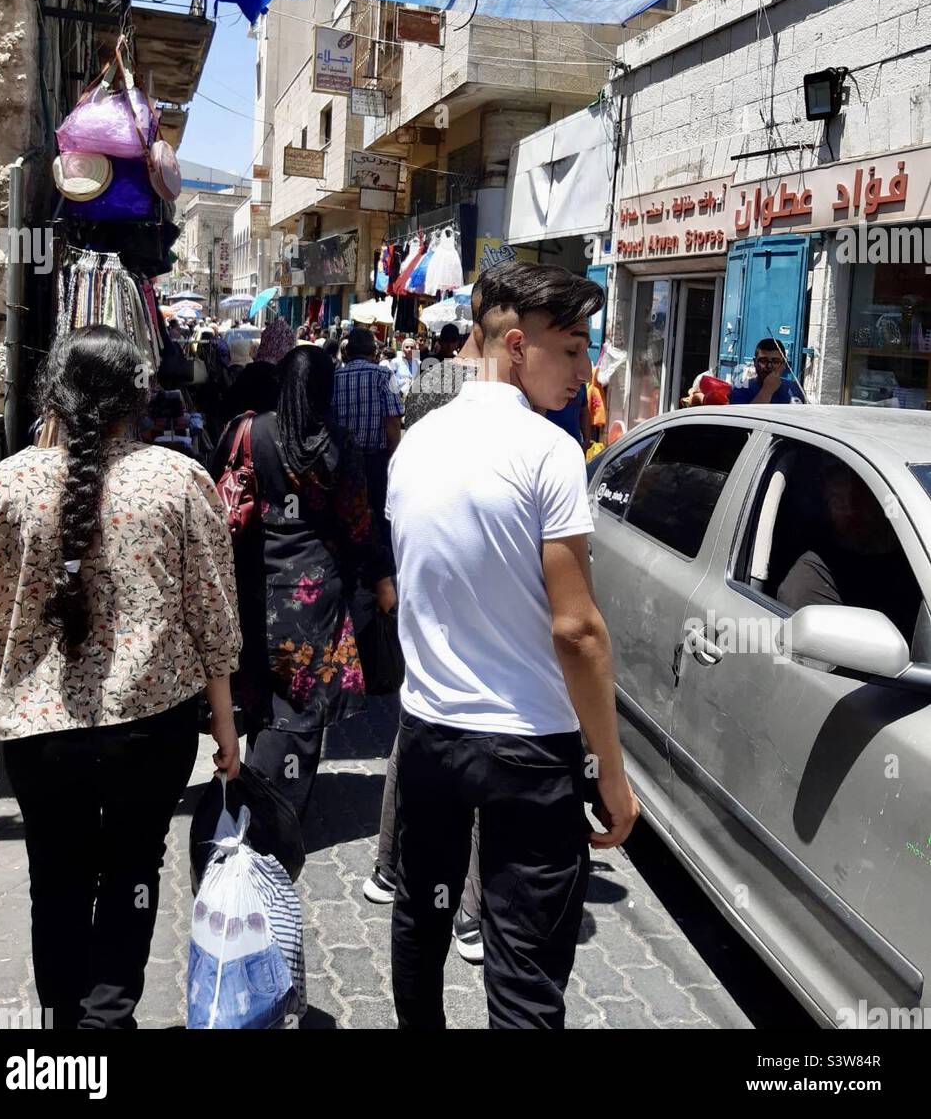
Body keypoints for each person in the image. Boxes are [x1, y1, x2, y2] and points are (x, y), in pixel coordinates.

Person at [0, 326, 241, 1030]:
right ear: (137, 398)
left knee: (56, 877)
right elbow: (213, 615)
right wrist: (226, 724)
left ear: (53, 392)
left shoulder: (4, 485)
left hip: (39, 733)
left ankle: (62, 1024)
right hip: (155, 726)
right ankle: (108, 1020)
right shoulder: (179, 479)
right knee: (133, 873)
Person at [386, 262, 639, 1029]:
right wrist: (611, 773)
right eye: (570, 349)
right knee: (524, 968)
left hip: (429, 734)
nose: (582, 368)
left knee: (420, 917)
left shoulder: (416, 443)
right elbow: (577, 628)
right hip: (530, 745)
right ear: (517, 345)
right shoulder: (548, 450)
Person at [215, 346, 397, 823]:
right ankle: (274, 815)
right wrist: (381, 579)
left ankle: (251, 792)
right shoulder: (340, 443)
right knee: (302, 709)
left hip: (256, 587)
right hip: (317, 595)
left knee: (261, 696)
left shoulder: (251, 431)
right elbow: (361, 526)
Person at [364, 312, 485, 961]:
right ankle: (468, 915)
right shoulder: (466, 437)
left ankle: (386, 868)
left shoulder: (413, 444)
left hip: (422, 601)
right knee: (475, 765)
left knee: (411, 738)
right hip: (462, 616)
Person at [778, 459, 922, 648]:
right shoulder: (811, 579)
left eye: (863, 492)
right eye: (838, 497)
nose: (850, 505)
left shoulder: (916, 553)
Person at [333, 327, 405, 548]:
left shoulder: (333, 377)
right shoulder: (385, 375)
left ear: (348, 351)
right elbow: (393, 422)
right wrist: (394, 461)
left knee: (345, 518)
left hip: (340, 460)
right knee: (377, 518)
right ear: (374, 351)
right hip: (375, 461)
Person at [729, 339, 803, 404]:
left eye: (775, 361)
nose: (769, 366)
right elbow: (747, 418)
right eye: (763, 361)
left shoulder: (794, 388)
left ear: (783, 364)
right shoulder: (741, 389)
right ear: (755, 362)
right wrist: (767, 391)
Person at [545, 378, 591, 451]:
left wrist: (587, 438)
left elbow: (584, 411)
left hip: (575, 444)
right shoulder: (546, 383)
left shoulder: (580, 384)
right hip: (550, 446)